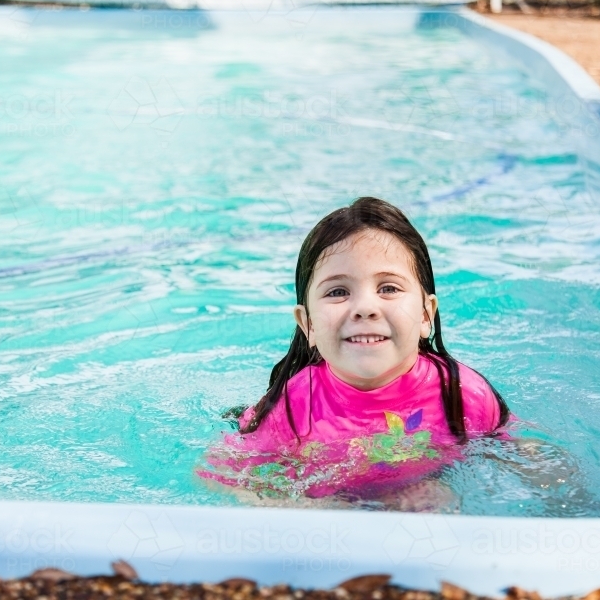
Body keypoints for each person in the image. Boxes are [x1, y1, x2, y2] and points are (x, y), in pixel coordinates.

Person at [198, 196, 511, 504]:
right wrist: (314, 508)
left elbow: (522, 461)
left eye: (388, 288)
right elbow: (218, 474)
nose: (365, 308)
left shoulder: (461, 396)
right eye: (338, 291)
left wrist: (442, 486)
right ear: (308, 325)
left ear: (426, 315)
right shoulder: (289, 409)